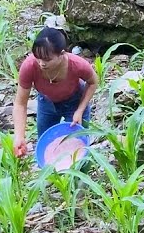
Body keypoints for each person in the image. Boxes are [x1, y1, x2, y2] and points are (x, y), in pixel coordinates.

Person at [11, 28, 98, 159]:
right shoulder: (29, 66)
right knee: (46, 146)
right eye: (38, 57)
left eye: (47, 59)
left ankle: (78, 177)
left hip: (75, 101)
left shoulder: (77, 65)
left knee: (77, 147)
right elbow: (20, 104)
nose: (41, 63)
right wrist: (19, 136)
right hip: (46, 102)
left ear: (62, 54)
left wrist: (80, 110)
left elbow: (93, 82)